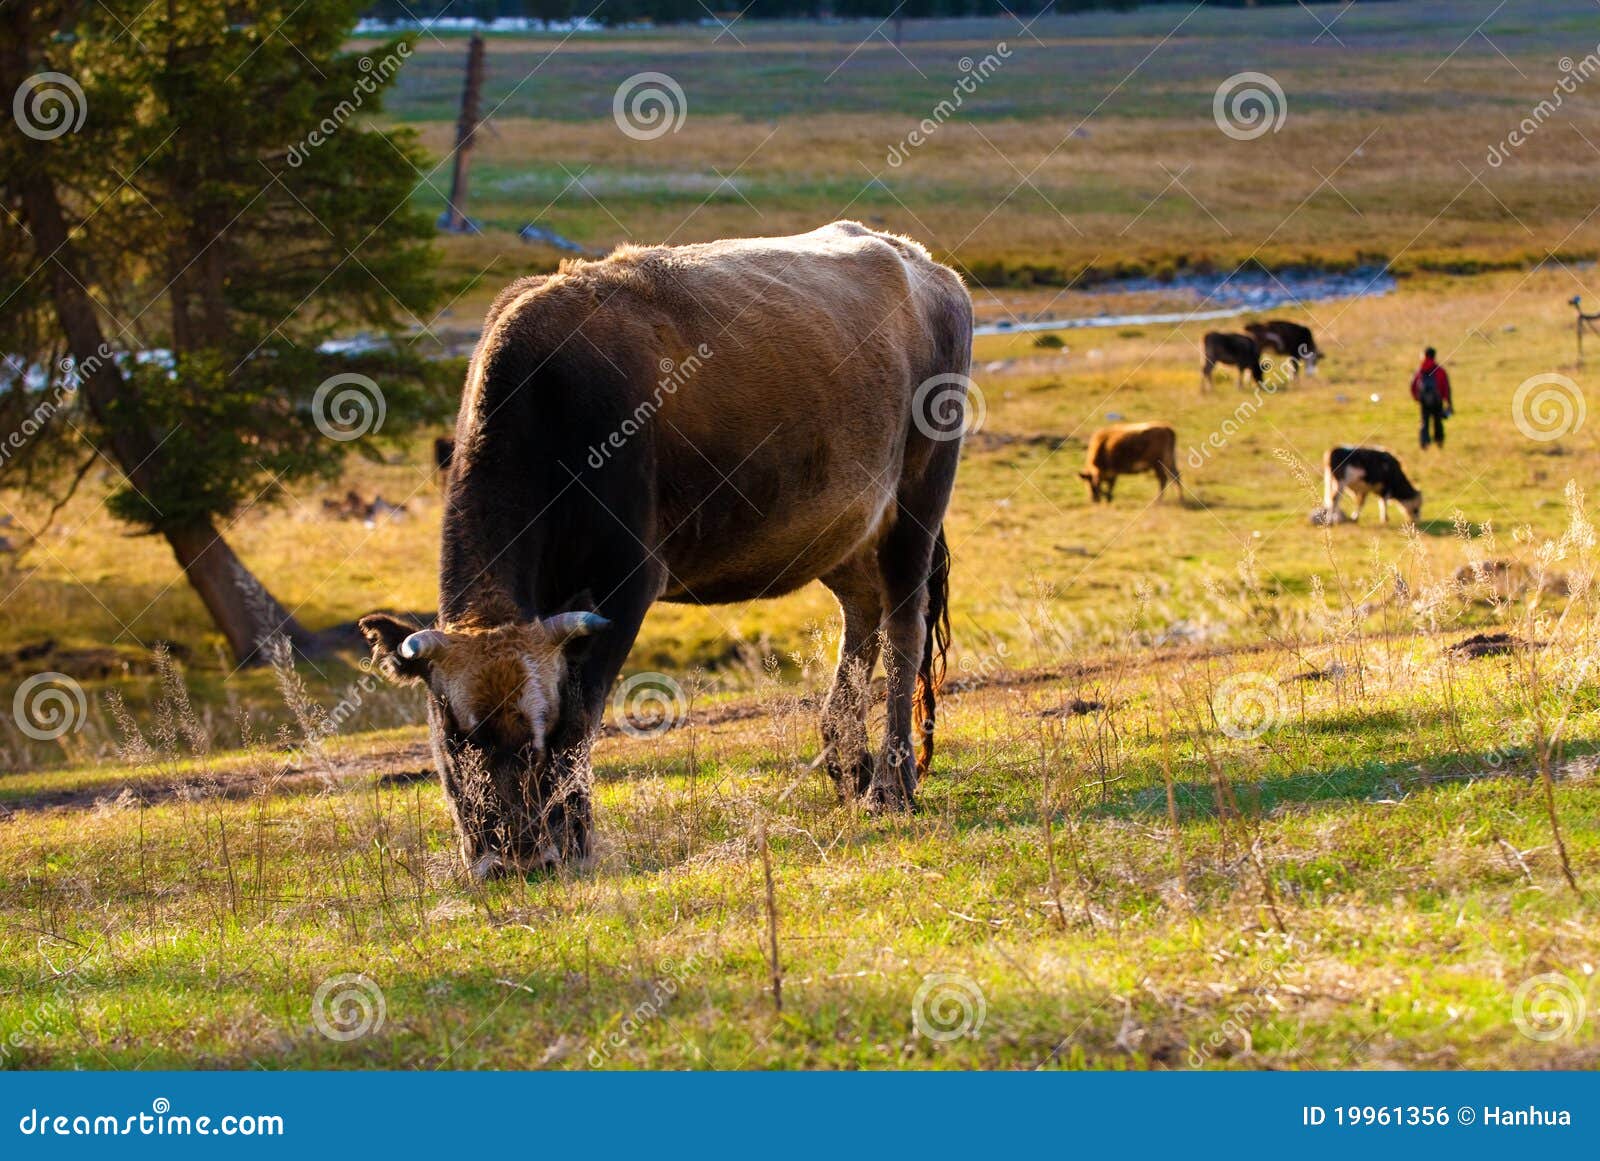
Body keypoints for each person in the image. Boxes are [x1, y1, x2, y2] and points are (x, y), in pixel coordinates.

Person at [1410, 347, 1452, 449]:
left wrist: (1417, 398)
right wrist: (1448, 402)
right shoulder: (1440, 370)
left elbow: (1413, 385)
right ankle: (1439, 441)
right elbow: (1445, 387)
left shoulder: (1420, 370)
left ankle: (1424, 444)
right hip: (1437, 401)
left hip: (1424, 401)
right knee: (1438, 422)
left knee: (1425, 422)